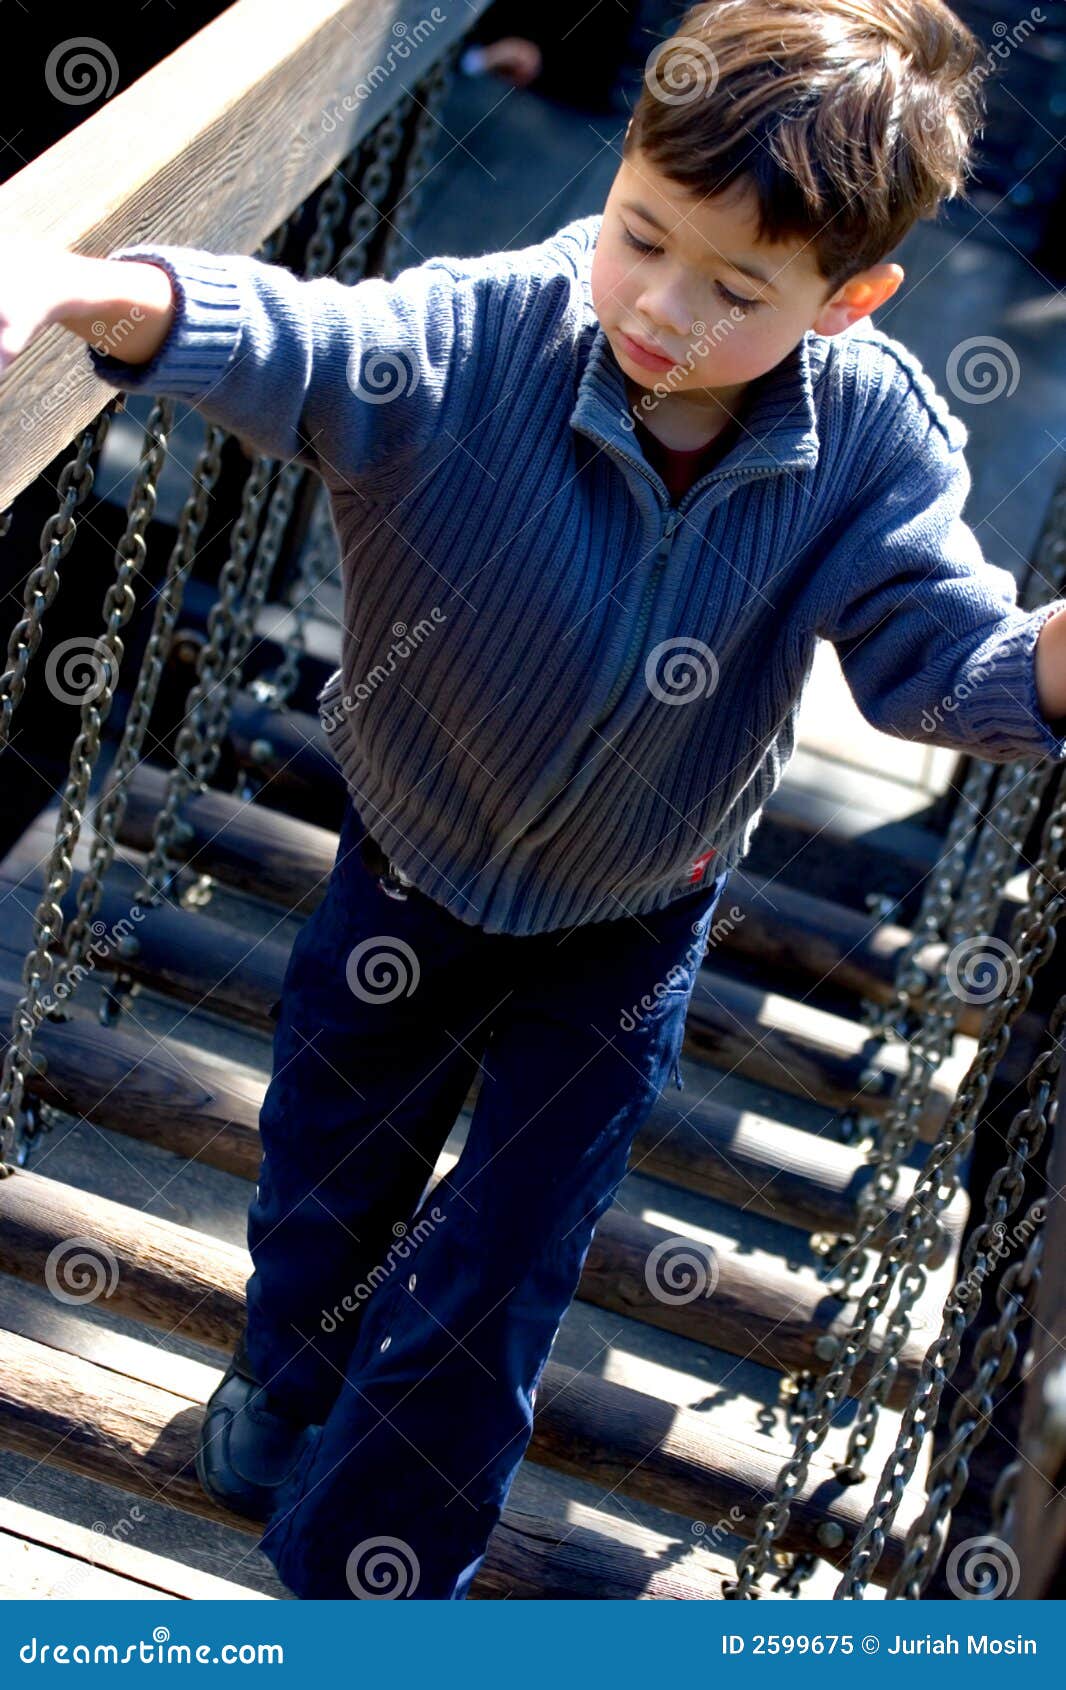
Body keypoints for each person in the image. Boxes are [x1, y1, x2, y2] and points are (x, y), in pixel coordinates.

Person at [7, 0, 1066, 1602]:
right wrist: (101, 288)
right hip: (410, 854)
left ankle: (377, 1555)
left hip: (634, 907)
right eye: (640, 237)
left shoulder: (865, 446)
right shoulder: (493, 330)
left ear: (848, 303)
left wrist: (1044, 664)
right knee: (326, 1174)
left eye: (735, 293)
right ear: (623, 173)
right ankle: (285, 1377)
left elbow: (937, 661)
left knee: (510, 1248)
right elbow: (312, 346)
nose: (660, 308)